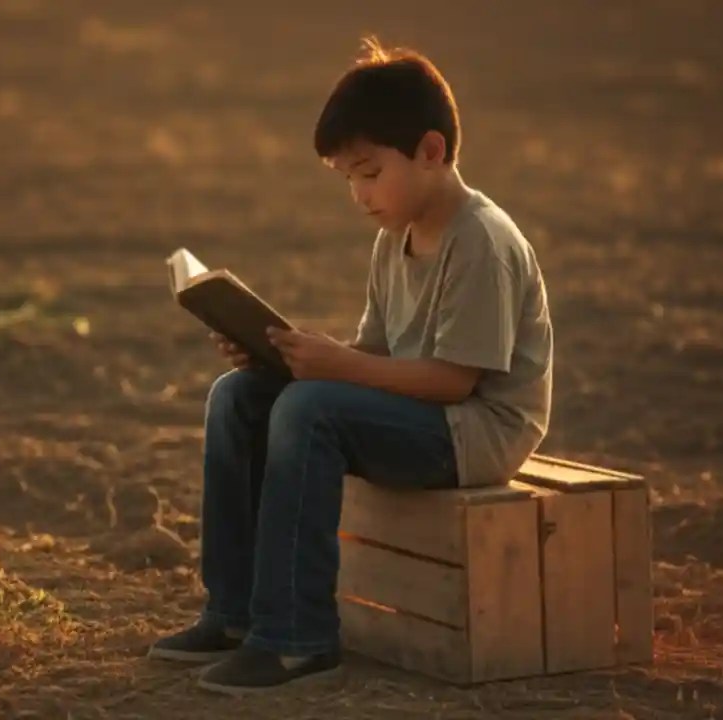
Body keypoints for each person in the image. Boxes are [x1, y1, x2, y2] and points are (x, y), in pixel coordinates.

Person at [149, 36, 554, 695]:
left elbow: (455, 381)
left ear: (432, 150)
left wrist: (332, 369)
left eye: (369, 173)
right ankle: (235, 613)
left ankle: (296, 639)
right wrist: (282, 353)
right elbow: (377, 354)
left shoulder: (481, 240)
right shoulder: (394, 239)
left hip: (476, 432)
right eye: (348, 180)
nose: (360, 195)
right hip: (422, 414)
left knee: (310, 410)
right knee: (239, 395)